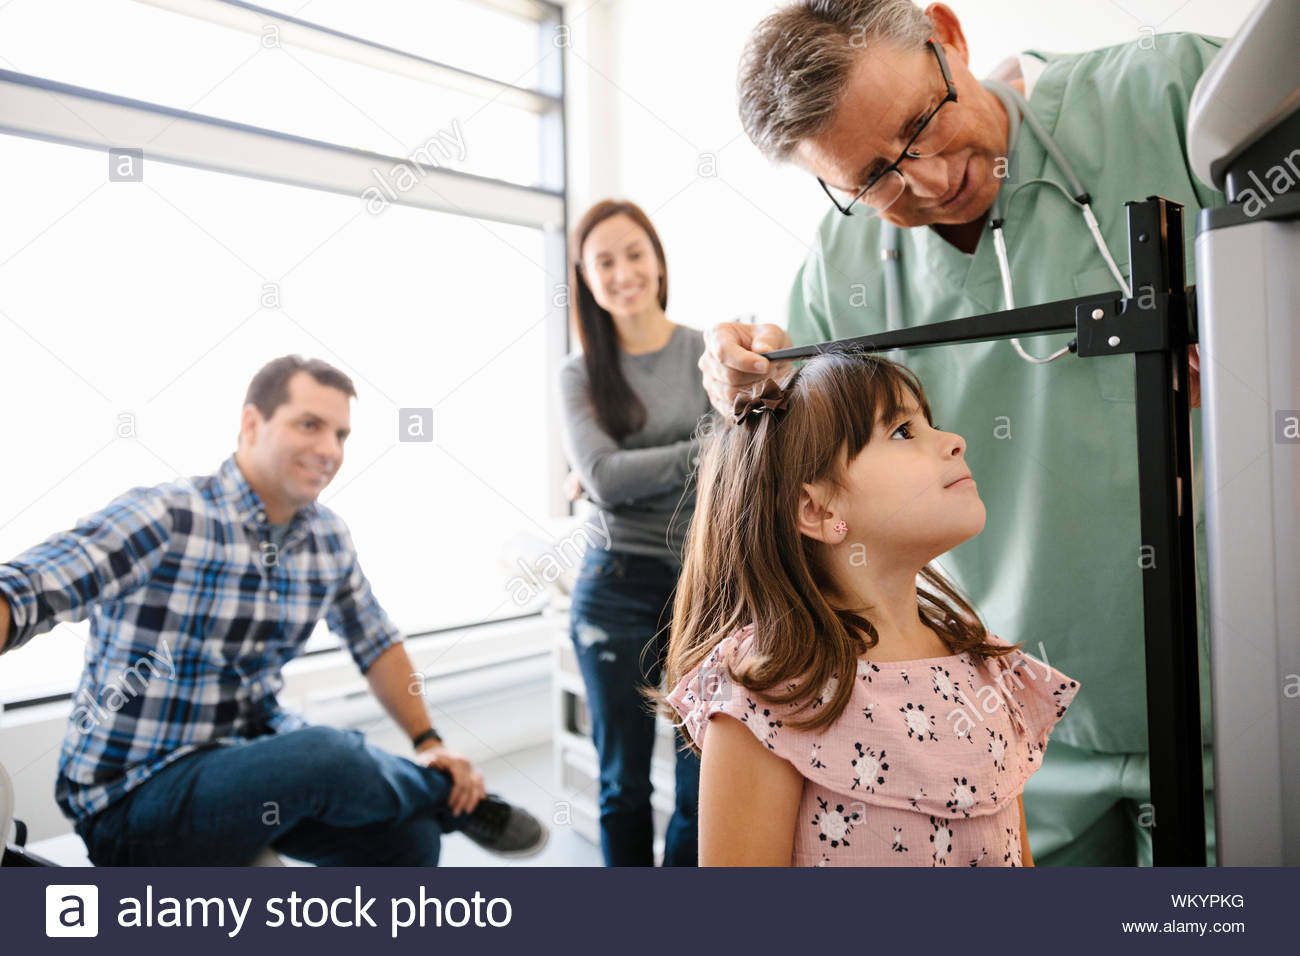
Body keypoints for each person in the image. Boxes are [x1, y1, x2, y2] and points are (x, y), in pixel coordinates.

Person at [698, 0, 1222, 866]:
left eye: (922, 122)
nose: (931, 181)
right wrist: (738, 374)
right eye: (874, 178)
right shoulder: (845, 267)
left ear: (949, 35)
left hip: (1241, 699)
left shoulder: (1168, 93)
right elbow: (807, 462)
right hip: (1020, 725)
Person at [0, 355, 547, 866]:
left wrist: (430, 742)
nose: (330, 449)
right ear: (251, 424)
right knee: (326, 757)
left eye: (341, 434)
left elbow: (376, 642)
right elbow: (27, 589)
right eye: (309, 425)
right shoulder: (168, 515)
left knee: (409, 838)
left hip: (247, 769)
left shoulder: (327, 537)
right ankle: (455, 799)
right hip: (133, 796)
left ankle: (435, 799)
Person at [665, 352, 1079, 865]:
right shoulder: (772, 693)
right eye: (903, 432)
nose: (955, 441)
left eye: (933, 424)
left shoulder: (985, 666)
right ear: (816, 509)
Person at [558, 200, 713, 866]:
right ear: (586, 279)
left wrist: (634, 470)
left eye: (634, 253)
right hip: (615, 586)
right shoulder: (579, 371)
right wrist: (699, 448)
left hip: (703, 587)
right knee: (621, 781)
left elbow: (733, 458)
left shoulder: (704, 349)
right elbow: (602, 476)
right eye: (604, 262)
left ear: (657, 260)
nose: (623, 273)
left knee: (701, 784)